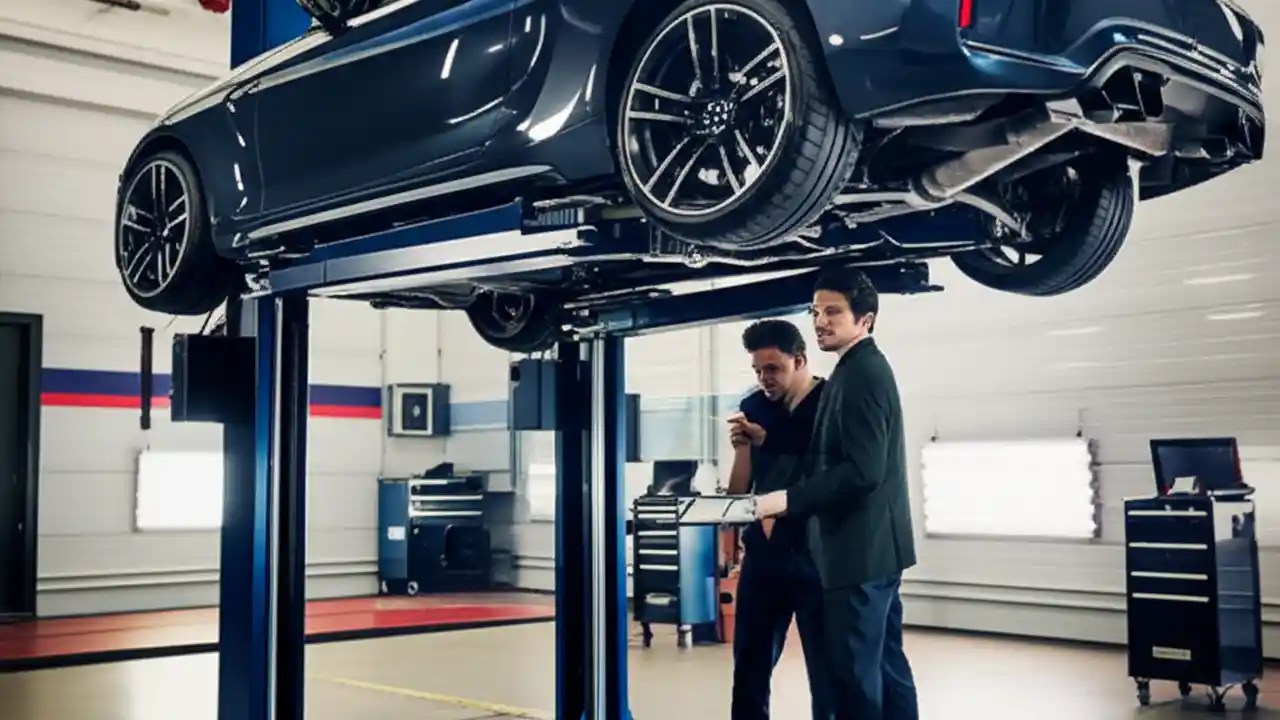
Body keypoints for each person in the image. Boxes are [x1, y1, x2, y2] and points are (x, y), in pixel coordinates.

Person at [754, 268, 919, 720]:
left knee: (854, 676)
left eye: (833, 312)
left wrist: (787, 499)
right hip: (874, 551)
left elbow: (864, 470)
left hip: (858, 552)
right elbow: (836, 453)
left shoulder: (862, 373)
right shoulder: (854, 367)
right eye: (815, 312)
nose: (820, 322)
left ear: (865, 319)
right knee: (886, 667)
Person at [725, 319, 833, 720]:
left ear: (799, 360)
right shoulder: (755, 407)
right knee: (749, 665)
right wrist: (742, 448)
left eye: (772, 368)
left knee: (825, 669)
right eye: (757, 370)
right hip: (764, 555)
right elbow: (739, 493)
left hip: (815, 556)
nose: (764, 378)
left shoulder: (829, 404)